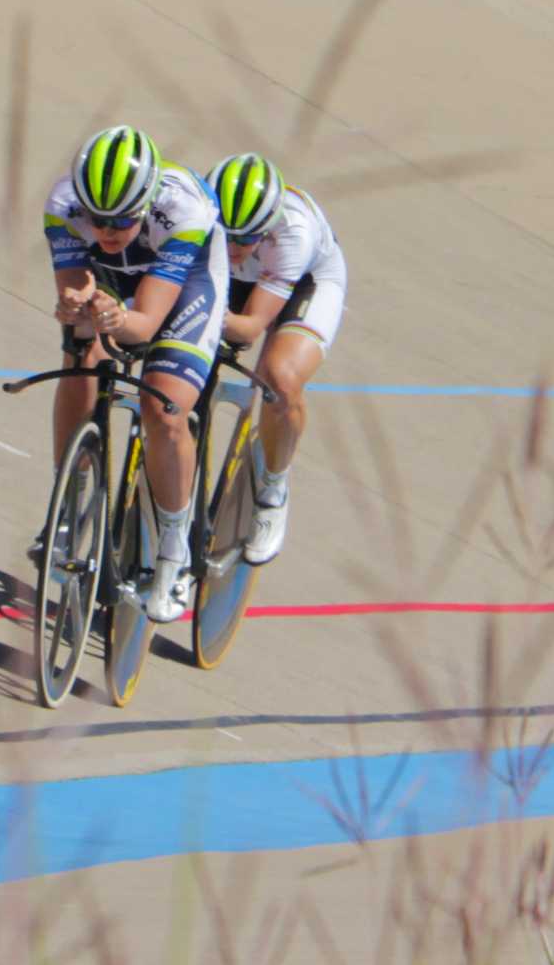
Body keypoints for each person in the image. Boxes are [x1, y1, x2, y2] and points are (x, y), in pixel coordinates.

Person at [39, 126, 228, 624]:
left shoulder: (183, 212)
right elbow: (75, 293)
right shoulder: (63, 207)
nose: (106, 229)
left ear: (146, 201)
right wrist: (79, 307)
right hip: (115, 276)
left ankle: (174, 548)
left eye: (121, 219)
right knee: (81, 357)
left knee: (163, 407)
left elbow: (145, 322)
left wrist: (118, 320)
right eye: (97, 218)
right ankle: (67, 503)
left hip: (184, 282)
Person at [206, 153, 347, 567]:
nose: (232, 247)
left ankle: (272, 488)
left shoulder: (294, 233)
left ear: (266, 227)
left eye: (243, 239)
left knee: (277, 379)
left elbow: (249, 328)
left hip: (307, 283)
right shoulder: (198, 212)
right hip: (245, 278)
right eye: (224, 235)